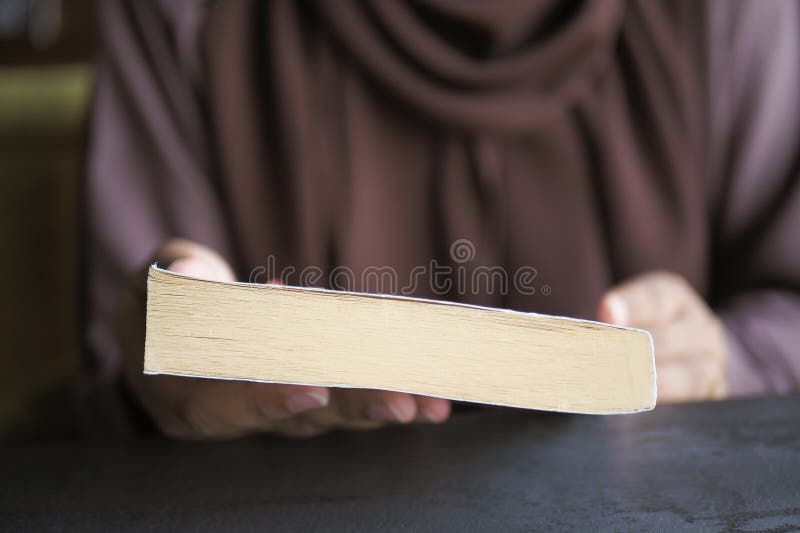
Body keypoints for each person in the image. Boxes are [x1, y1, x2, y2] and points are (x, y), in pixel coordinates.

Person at [85, 0, 800, 439]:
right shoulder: (185, 13)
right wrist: (167, 357)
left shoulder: (728, 11)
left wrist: (722, 359)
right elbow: (121, 361)